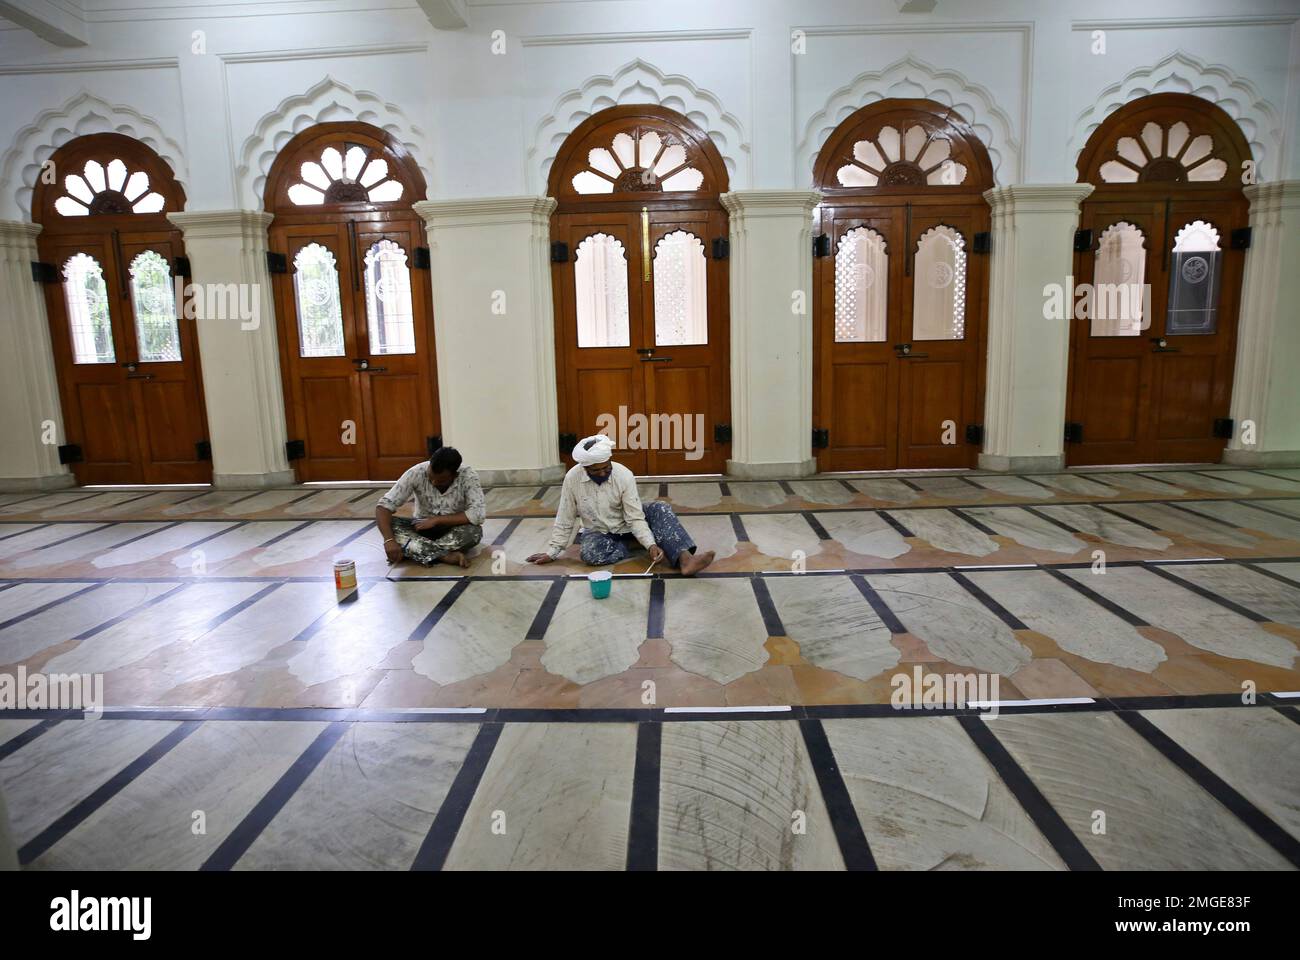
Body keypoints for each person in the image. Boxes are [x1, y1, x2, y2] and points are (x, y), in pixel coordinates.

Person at [526, 435, 714, 575]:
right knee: (590, 554)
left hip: (630, 522)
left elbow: (634, 517)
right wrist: (553, 551)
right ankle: (635, 543)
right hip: (600, 530)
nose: (602, 473)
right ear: (585, 468)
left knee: (660, 508)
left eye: (606, 468)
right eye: (596, 471)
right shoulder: (572, 479)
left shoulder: (623, 475)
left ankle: (685, 559)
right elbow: (565, 515)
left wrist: (649, 545)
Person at [376, 446, 486, 568]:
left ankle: (415, 549)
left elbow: (478, 514)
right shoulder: (416, 472)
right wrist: (389, 540)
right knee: (390, 524)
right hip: (420, 528)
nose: (434, 482)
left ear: (455, 475)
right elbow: (383, 506)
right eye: (430, 477)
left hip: (453, 528)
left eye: (440, 481)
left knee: (473, 533)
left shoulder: (468, 476)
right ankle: (444, 556)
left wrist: (436, 520)